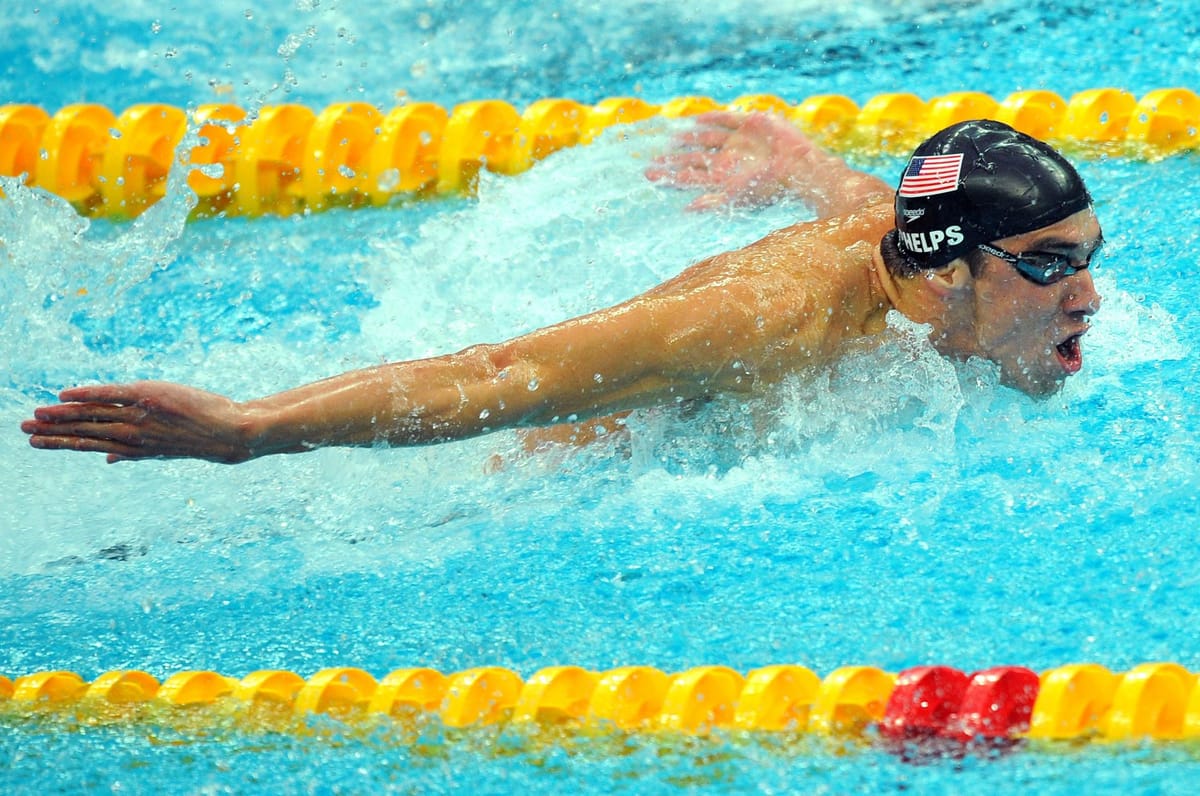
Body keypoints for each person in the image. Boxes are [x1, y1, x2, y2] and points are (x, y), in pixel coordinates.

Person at [20, 115, 1103, 464]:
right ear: (949, 277)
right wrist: (249, 429)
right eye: (1051, 265)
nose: (1089, 296)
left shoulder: (918, 258)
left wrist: (799, 164)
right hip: (527, 463)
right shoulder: (766, 320)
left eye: (1090, 255)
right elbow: (502, 373)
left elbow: (878, 202)